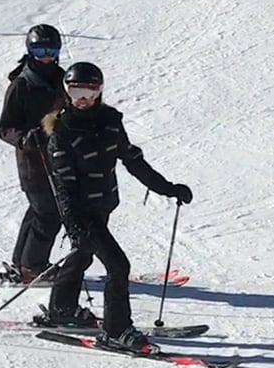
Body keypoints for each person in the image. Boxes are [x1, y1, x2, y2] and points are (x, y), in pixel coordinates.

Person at [37, 62, 191, 348]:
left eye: (89, 90)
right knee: (118, 266)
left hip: (103, 205)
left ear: (100, 91)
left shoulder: (110, 121)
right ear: (66, 92)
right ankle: (117, 330)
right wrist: (73, 223)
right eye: (75, 90)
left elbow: (132, 160)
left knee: (83, 254)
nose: (82, 97)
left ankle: (62, 308)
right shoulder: (61, 132)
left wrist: (168, 188)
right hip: (81, 212)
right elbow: (64, 186)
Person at [0, 24, 66, 285]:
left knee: (39, 210)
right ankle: (34, 267)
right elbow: (5, 128)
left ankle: (21, 262)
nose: (45, 55)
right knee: (49, 212)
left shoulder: (61, 78)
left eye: (50, 50)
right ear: (29, 50)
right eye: (38, 50)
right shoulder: (22, 85)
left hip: (58, 157)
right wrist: (24, 138)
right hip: (32, 161)